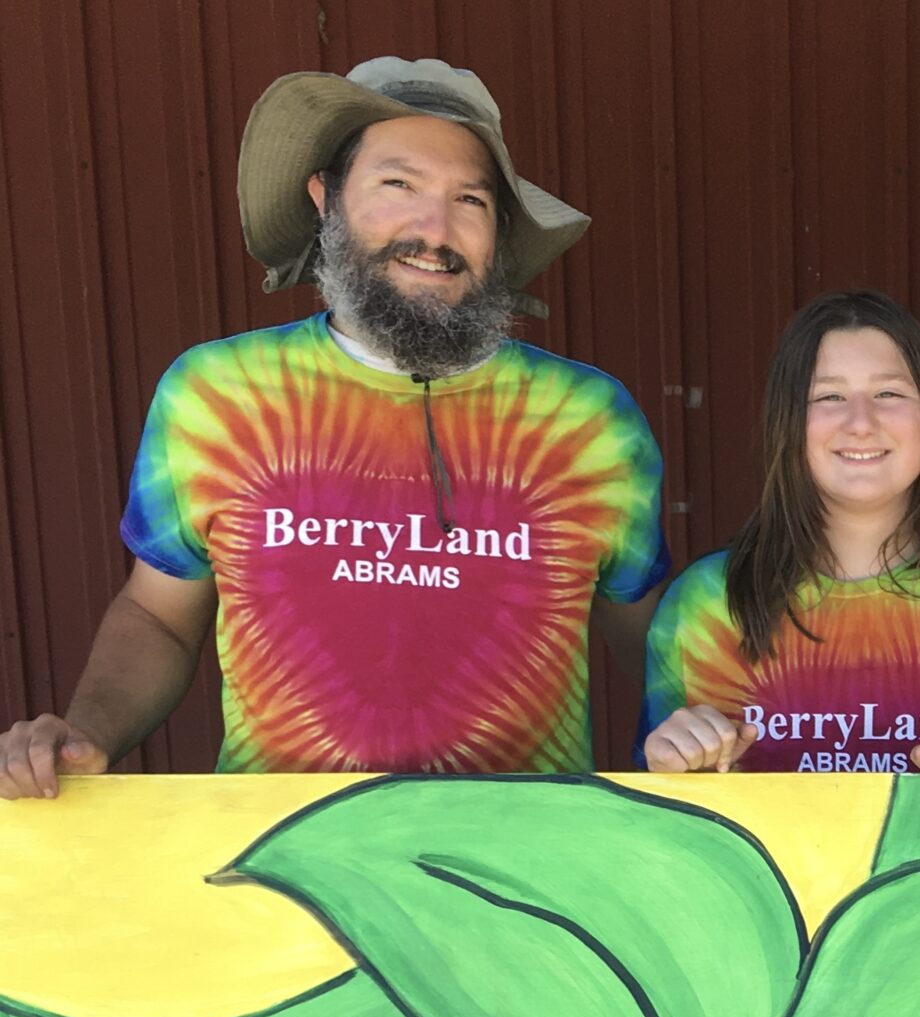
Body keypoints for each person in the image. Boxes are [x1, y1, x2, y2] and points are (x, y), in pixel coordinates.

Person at [0, 56, 670, 798]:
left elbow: (657, 637)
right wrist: (88, 732)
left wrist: (710, 729)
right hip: (277, 865)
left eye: (470, 200)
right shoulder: (219, 394)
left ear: (498, 230)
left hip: (523, 871)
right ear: (326, 198)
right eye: (398, 186)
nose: (434, 229)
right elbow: (158, 615)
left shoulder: (586, 419)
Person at [639, 290, 920, 780]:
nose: (861, 423)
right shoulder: (706, 604)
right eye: (828, 396)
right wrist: (672, 760)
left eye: (888, 394)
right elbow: (657, 810)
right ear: (787, 423)